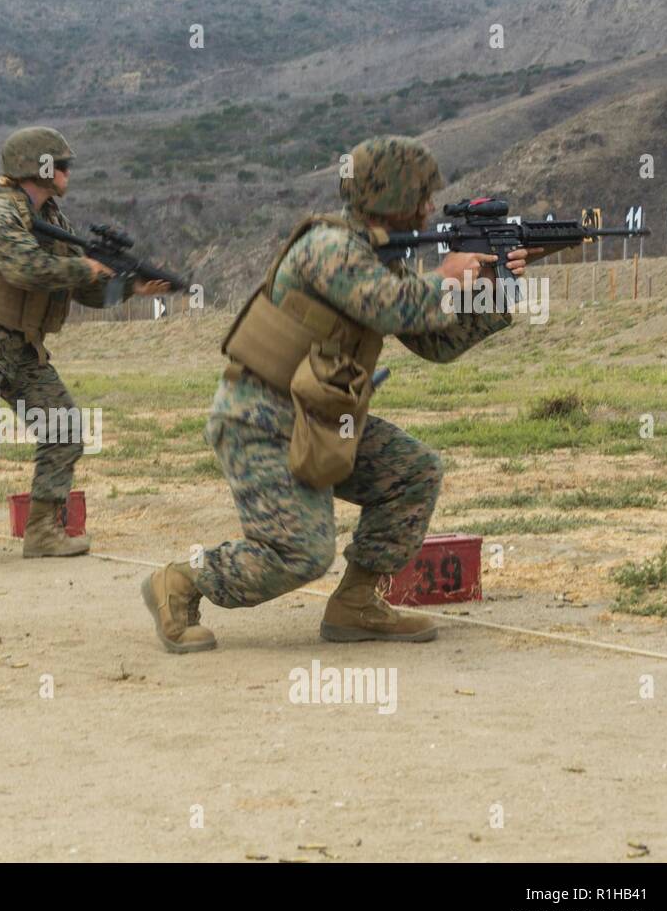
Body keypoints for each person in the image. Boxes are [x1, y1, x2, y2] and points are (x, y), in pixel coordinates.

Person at [140, 136, 539, 653]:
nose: (428, 208)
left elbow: (436, 344)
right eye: (420, 196)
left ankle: (356, 604)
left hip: (323, 416)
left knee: (413, 473)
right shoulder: (329, 248)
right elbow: (394, 309)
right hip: (261, 419)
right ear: (391, 196)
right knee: (301, 554)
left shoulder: (379, 257)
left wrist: (494, 288)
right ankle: (181, 581)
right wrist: (449, 278)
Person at [0, 126, 168, 561]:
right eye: (60, 164)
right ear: (36, 168)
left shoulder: (54, 222)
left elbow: (78, 289)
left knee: (64, 428)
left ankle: (43, 530)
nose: (67, 171)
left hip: (21, 349)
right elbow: (26, 269)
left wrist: (128, 288)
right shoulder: (0, 215)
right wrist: (88, 269)